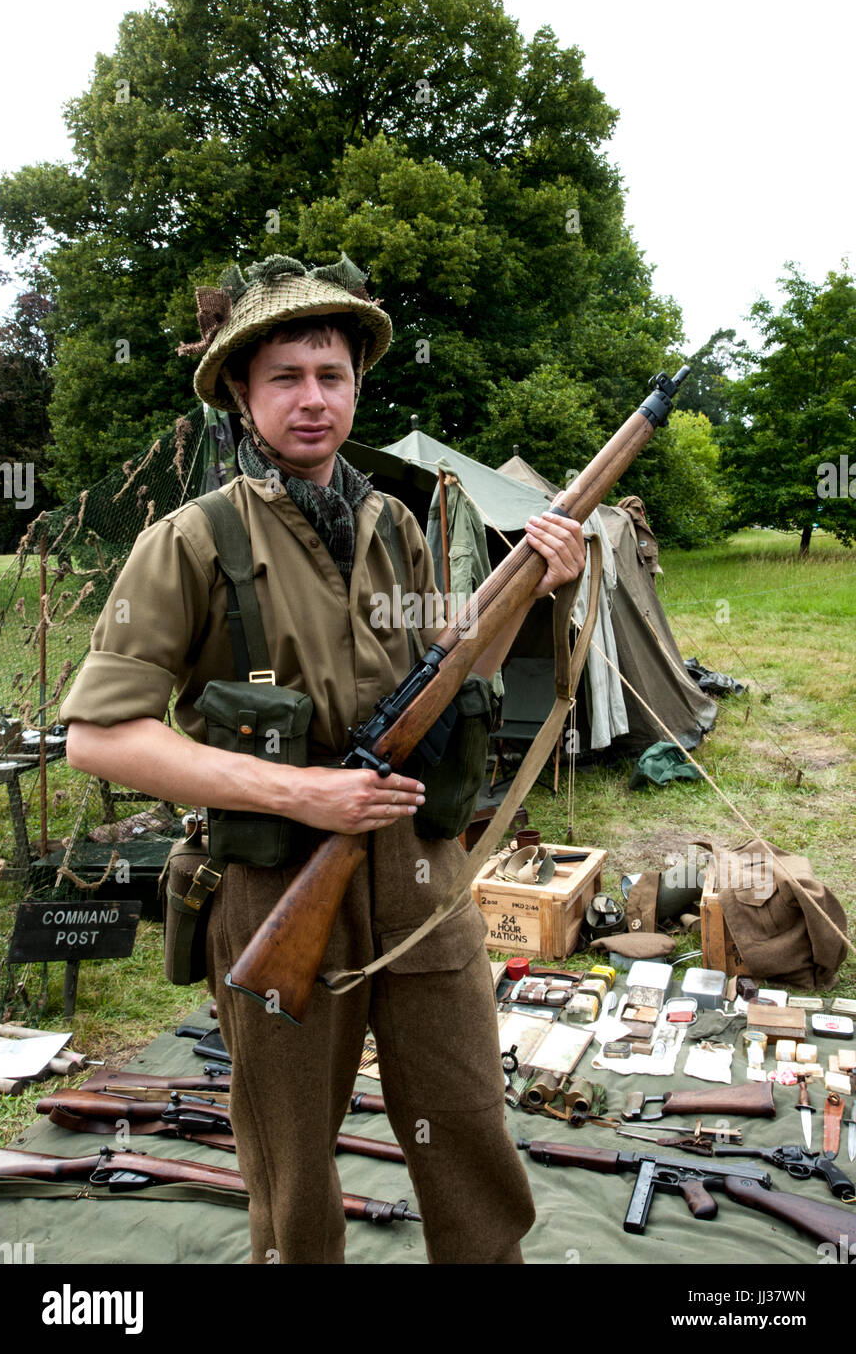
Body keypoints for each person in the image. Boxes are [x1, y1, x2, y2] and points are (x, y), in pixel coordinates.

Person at [61, 253, 587, 1263]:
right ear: (241, 395)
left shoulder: (397, 524)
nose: (312, 399)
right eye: (285, 378)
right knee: (294, 1162)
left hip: (421, 878)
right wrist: (302, 789)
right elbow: (101, 735)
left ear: (358, 387)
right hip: (271, 886)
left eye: (332, 374)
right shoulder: (189, 542)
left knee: (469, 1126)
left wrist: (538, 584)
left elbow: (446, 663)